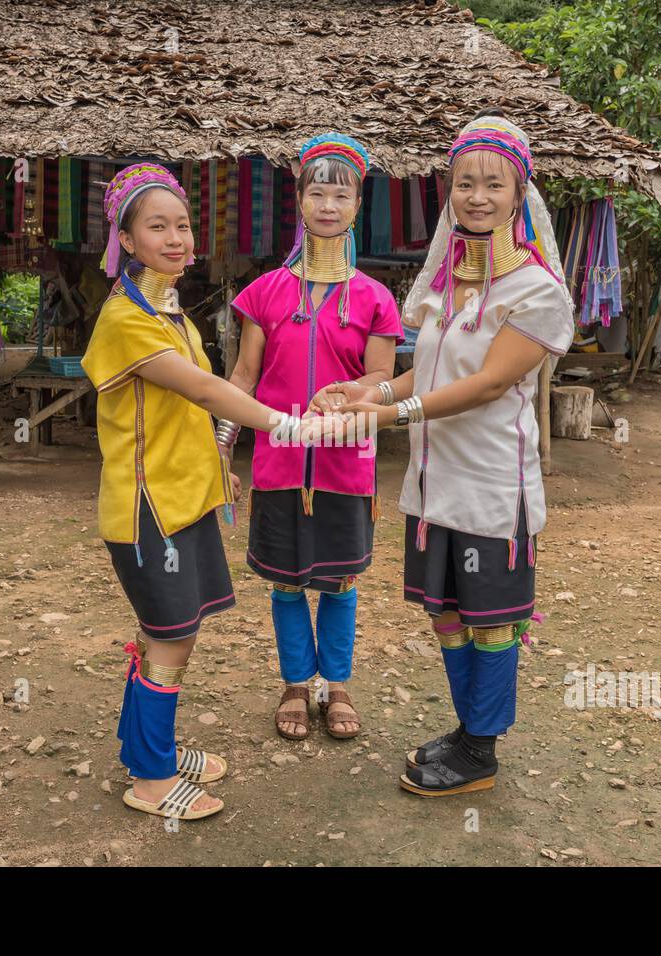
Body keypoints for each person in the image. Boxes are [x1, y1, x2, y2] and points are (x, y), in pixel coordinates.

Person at [317, 115, 575, 796]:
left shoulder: (535, 292)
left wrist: (392, 413)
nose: (477, 196)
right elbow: (426, 375)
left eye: (493, 183)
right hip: (436, 487)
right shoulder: (447, 283)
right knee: (447, 612)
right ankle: (467, 729)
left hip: (492, 487)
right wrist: (367, 387)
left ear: (520, 194)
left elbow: (488, 384)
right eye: (465, 183)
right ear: (450, 192)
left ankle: (481, 753)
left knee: (492, 621)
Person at [82, 163, 333, 820]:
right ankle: (151, 779)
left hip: (186, 499)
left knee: (175, 634)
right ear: (127, 240)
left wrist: (221, 461)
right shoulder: (123, 320)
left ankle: (151, 747)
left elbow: (191, 410)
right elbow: (204, 389)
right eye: (156, 226)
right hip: (148, 511)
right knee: (168, 636)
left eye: (183, 224)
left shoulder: (170, 312)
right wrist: (285, 424)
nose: (175, 237)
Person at [227, 134, 402, 741]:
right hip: (278, 459)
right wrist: (222, 445)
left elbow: (382, 377)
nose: (329, 205)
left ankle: (338, 685)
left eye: (342, 194)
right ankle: (297, 685)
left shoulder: (375, 299)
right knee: (285, 581)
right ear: (299, 201)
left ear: (359, 205)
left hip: (345, 460)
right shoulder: (264, 293)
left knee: (341, 580)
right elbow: (243, 378)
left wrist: (353, 393)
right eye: (318, 192)